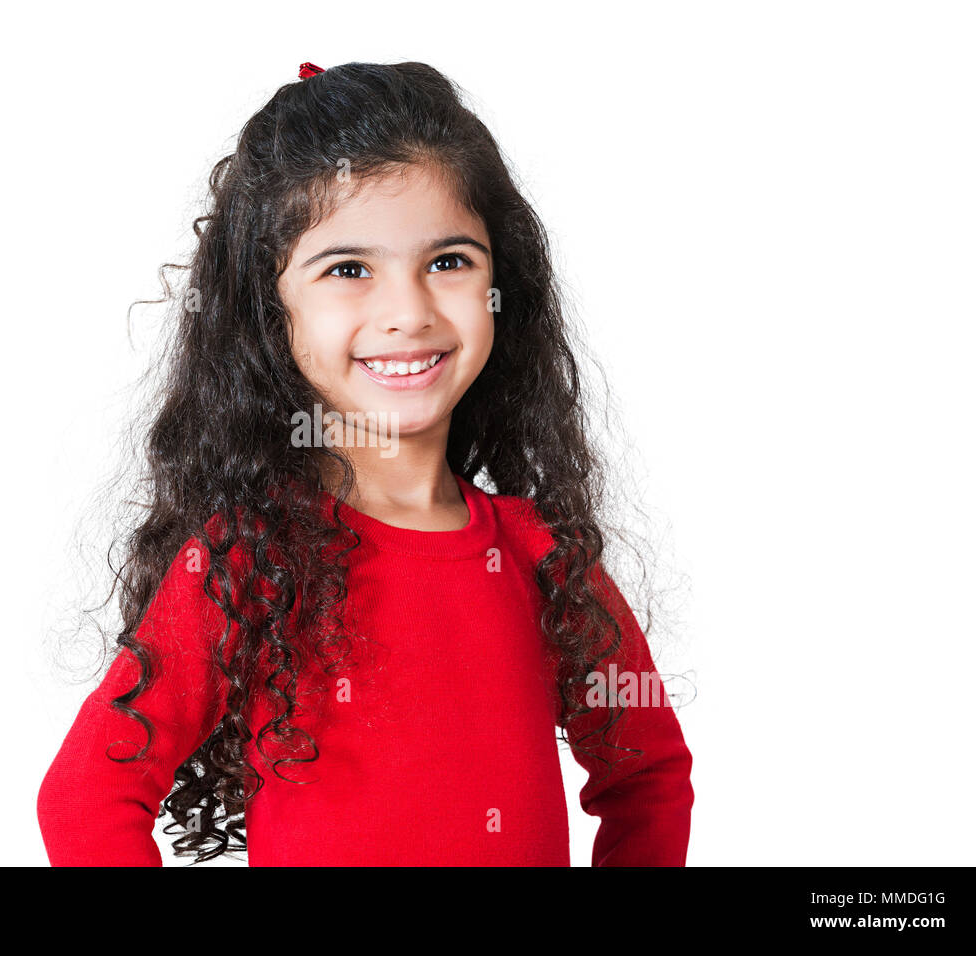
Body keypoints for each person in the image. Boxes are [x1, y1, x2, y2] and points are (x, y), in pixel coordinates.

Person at [36, 60, 693, 866]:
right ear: (270, 310)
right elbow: (87, 796)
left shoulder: (543, 557)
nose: (409, 312)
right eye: (349, 270)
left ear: (502, 282)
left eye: (449, 261)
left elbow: (649, 775)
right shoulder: (248, 560)